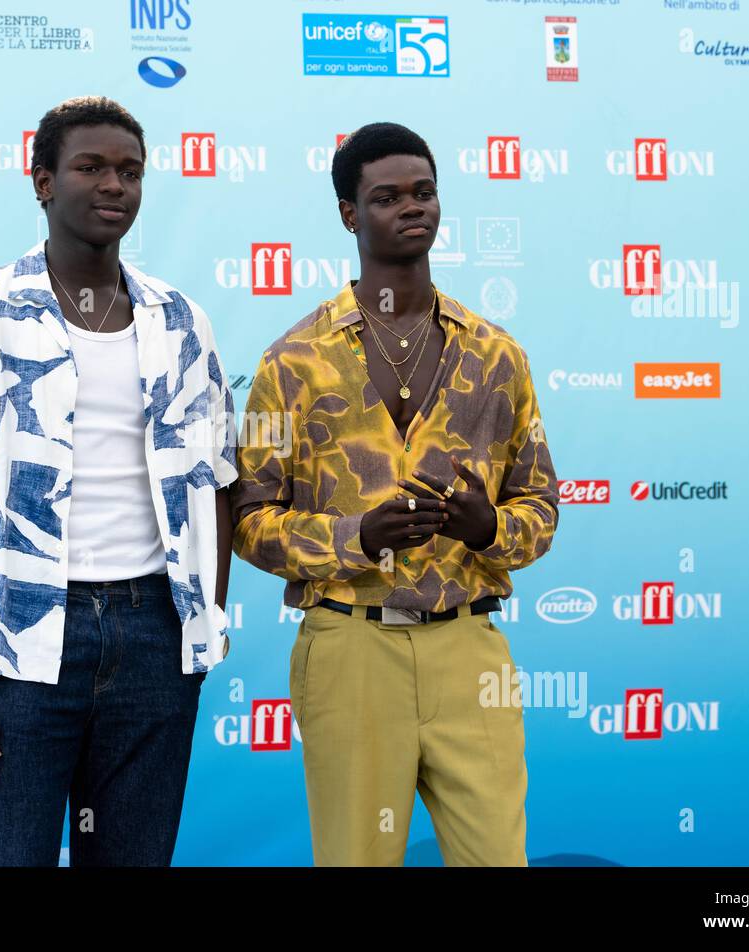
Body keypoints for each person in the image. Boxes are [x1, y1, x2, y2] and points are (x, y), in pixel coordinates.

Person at [0, 96, 237, 867]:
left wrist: (206, 614)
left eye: (130, 171)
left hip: (154, 638)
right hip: (20, 648)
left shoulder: (183, 320)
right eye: (91, 168)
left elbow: (221, 479)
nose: (114, 185)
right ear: (43, 182)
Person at [231, 122, 559, 867]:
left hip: (470, 650)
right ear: (350, 214)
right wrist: (359, 537)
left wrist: (486, 530)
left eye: (424, 192)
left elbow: (540, 511)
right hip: (351, 647)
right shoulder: (293, 362)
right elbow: (249, 521)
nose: (412, 207)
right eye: (387, 197)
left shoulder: (497, 355)